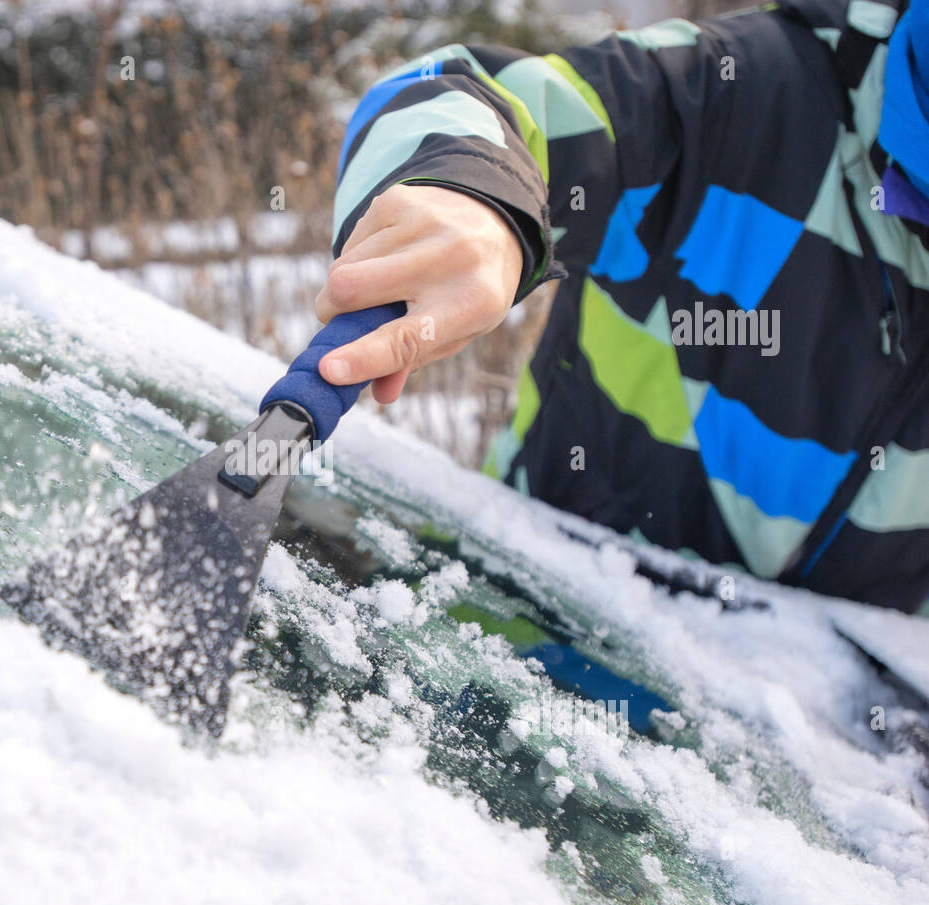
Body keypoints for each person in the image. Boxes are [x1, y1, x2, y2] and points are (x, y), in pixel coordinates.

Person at [316, 0, 929, 614]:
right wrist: (473, 192)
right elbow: (459, 90)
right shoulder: (739, 95)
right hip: (511, 629)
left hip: (817, 704)